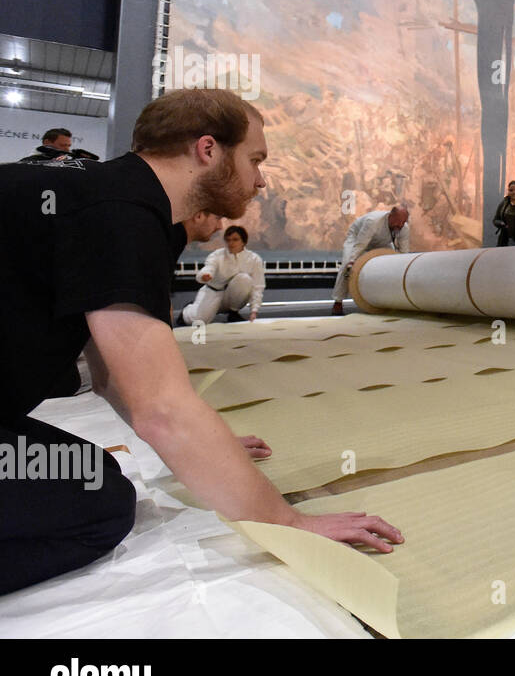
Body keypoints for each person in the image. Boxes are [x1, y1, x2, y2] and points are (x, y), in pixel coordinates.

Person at [0, 87, 402, 596]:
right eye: (255, 159)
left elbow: (113, 374)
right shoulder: (119, 211)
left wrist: (206, 444)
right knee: (96, 508)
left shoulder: (121, 203)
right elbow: (161, 411)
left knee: (88, 473)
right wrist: (288, 523)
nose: (261, 179)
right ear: (208, 150)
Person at [178, 225, 266, 325]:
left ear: (244, 242)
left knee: (244, 279)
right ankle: (188, 310)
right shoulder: (217, 255)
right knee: (199, 321)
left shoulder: (254, 259)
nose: (231, 243)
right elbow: (209, 268)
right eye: (228, 240)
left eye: (235, 240)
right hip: (213, 292)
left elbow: (258, 286)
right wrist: (205, 275)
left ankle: (233, 313)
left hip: (231, 297)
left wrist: (254, 310)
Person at [332, 205, 410, 315]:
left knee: (393, 264)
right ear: (390, 216)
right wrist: (352, 261)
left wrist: (402, 268)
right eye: (398, 222)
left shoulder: (403, 228)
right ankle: (338, 302)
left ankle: (390, 301)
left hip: (382, 242)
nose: (400, 225)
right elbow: (361, 244)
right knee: (347, 266)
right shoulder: (373, 221)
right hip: (357, 238)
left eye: (403, 222)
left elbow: (404, 253)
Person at [17, 128, 100, 164]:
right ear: (47, 142)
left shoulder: (68, 162)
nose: (67, 149)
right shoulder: (27, 162)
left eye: (68, 146)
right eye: (63, 145)